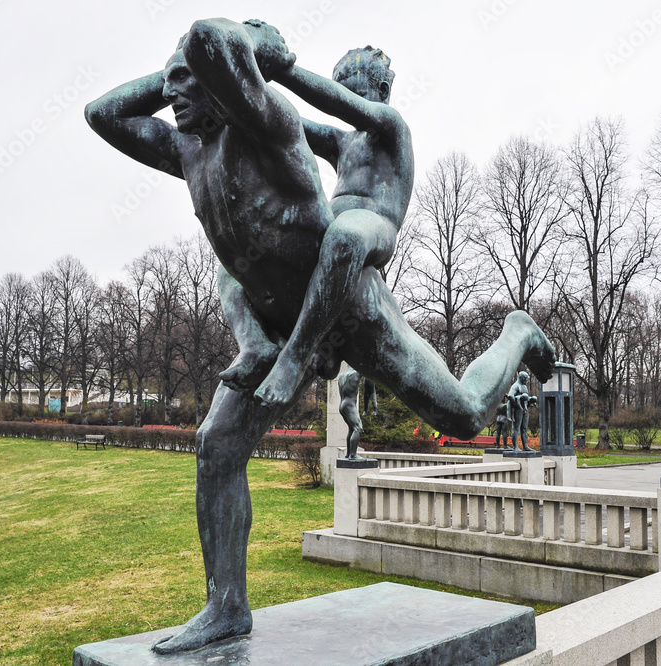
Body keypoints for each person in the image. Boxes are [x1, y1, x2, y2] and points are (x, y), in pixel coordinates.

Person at [84, 18, 556, 654]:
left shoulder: (272, 122)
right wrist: (175, 73)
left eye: (185, 83)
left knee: (465, 415)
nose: (171, 97)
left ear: (228, 84)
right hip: (280, 318)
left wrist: (267, 56)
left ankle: (516, 334)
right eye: (170, 85)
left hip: (349, 303)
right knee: (217, 444)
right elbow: (103, 113)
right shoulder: (188, 150)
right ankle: (225, 606)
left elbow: (211, 39)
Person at [218, 32, 412, 414]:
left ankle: (296, 356)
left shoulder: (391, 127)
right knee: (236, 263)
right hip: (329, 228)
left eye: (355, 95)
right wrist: (245, 83)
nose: (346, 104)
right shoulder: (343, 143)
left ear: (383, 90)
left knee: (345, 236)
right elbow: (289, 122)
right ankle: (255, 345)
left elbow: (340, 104)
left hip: (373, 226)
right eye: (343, 92)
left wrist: (283, 68)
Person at [507, 371, 538, 451]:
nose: (526, 380)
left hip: (525, 409)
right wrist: (516, 405)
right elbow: (510, 396)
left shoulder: (524, 387)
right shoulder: (515, 386)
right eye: (525, 379)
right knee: (516, 427)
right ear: (521, 378)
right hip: (518, 410)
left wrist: (531, 399)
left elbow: (525, 398)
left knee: (524, 428)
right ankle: (515, 447)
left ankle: (525, 446)